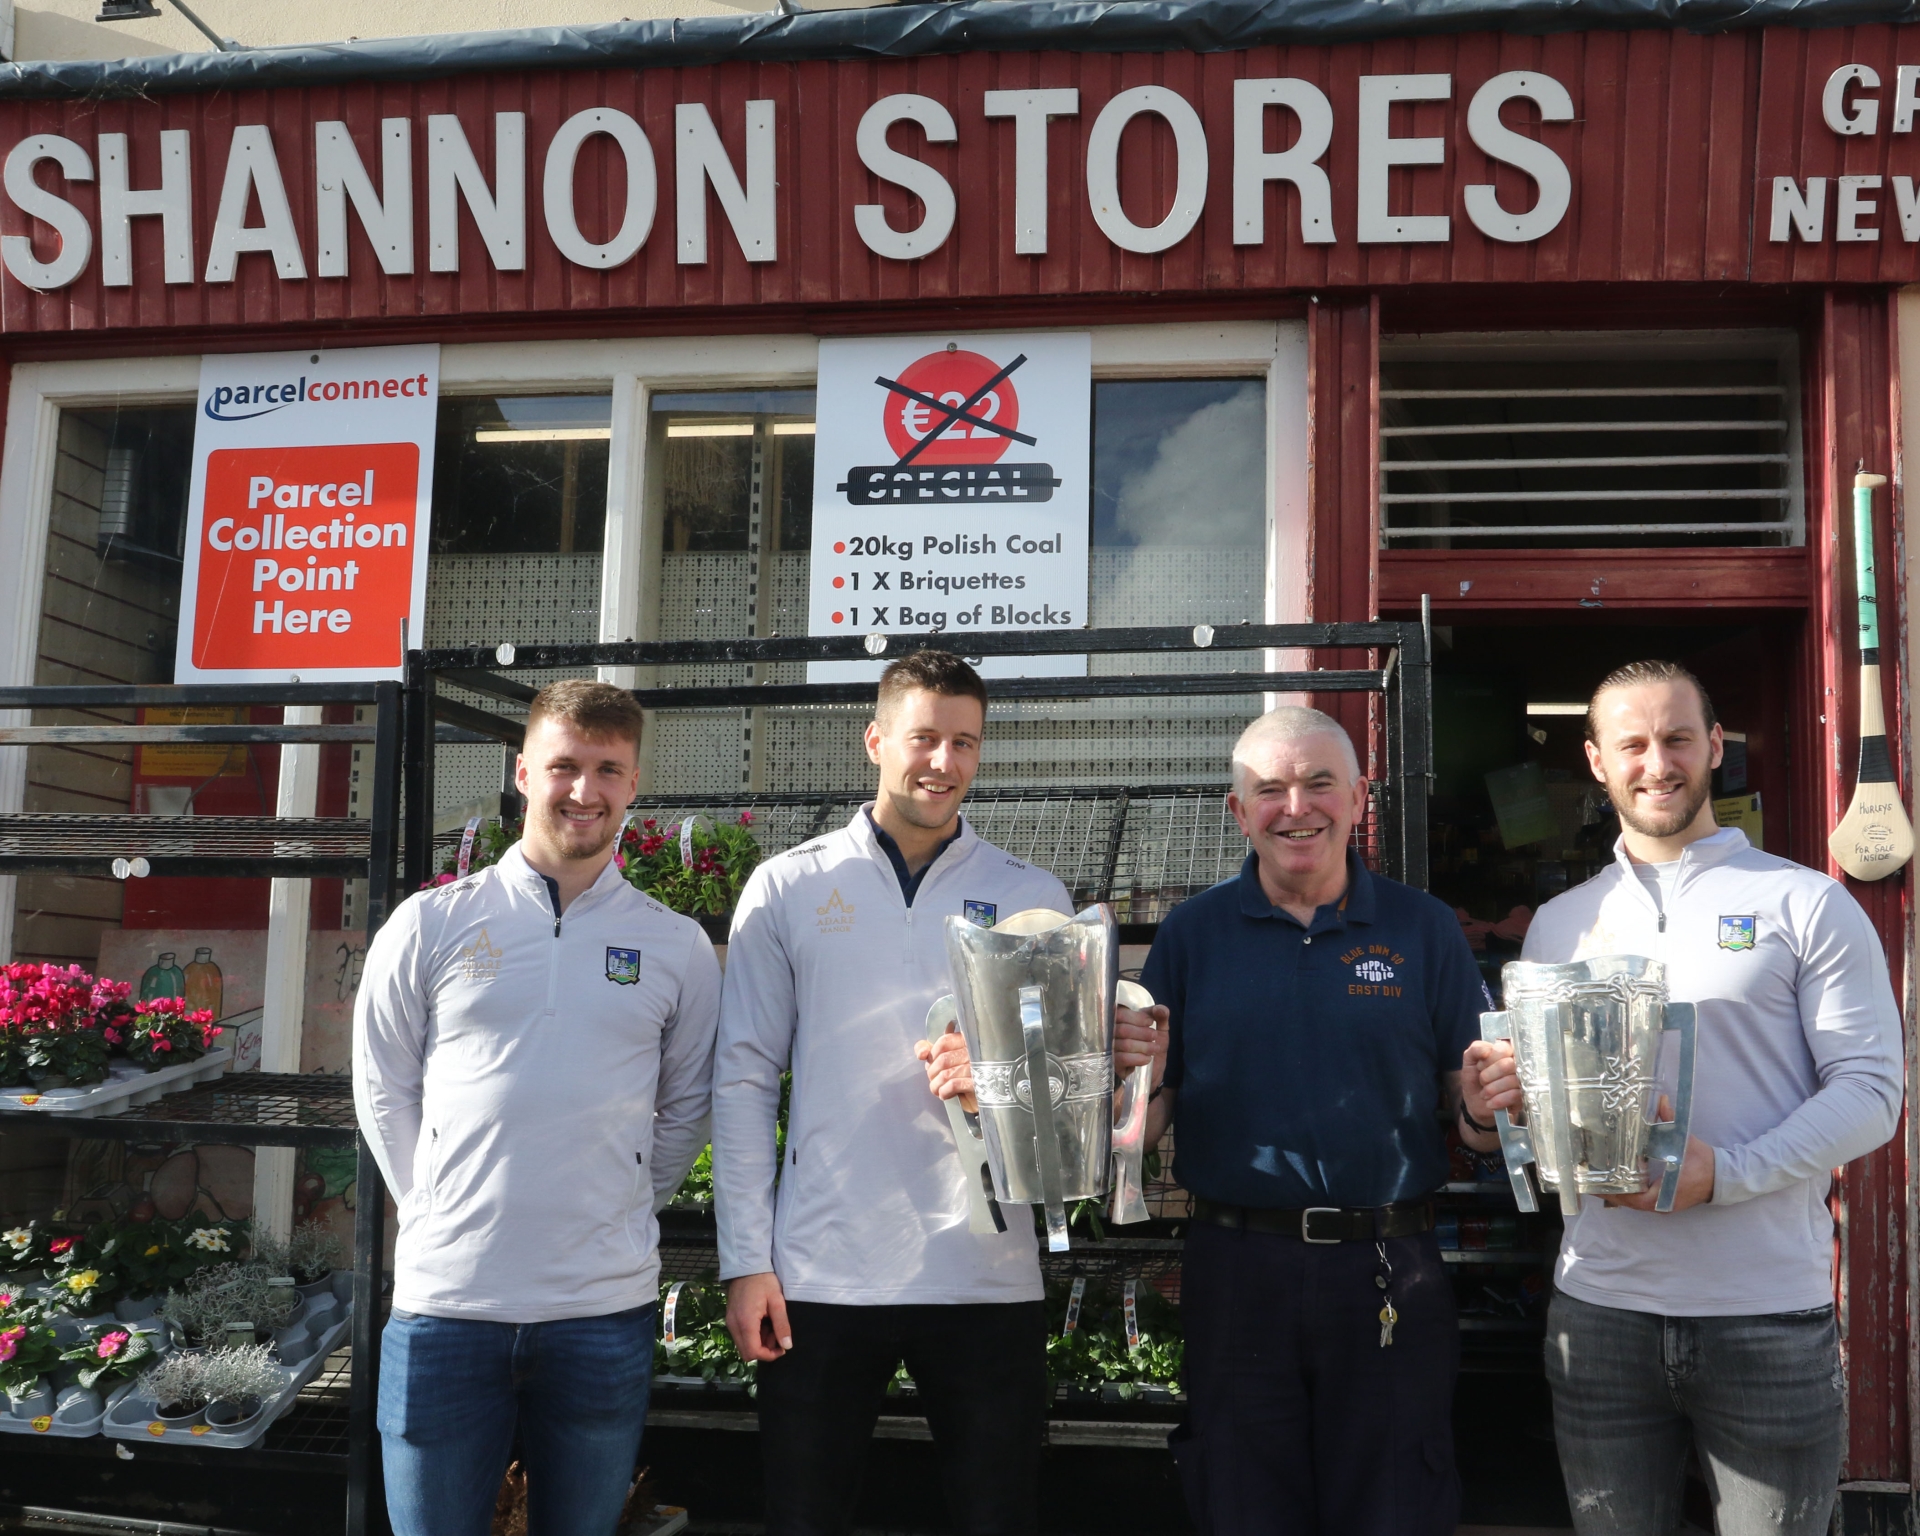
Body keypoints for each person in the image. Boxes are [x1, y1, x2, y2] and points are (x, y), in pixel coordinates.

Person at [711, 648, 1165, 1536]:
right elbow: (742, 1078)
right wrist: (745, 1261)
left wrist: (1035, 1070)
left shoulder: (1029, 894)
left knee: (996, 1516)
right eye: (924, 738)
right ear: (875, 740)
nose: (943, 762)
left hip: (985, 1274)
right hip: (822, 1271)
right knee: (804, 1516)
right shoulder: (790, 885)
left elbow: (1063, 1098)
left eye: (964, 742)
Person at [1461, 660, 1903, 1536]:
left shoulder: (1805, 901)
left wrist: (1725, 1174)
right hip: (1601, 1316)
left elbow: (1872, 1093)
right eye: (1631, 744)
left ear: (1715, 748)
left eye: (1675, 739)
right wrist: (1493, 1107)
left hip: (1767, 1317)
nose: (1655, 763)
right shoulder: (1560, 923)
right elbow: (1528, 1128)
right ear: (1595, 761)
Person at [354, 680, 721, 1536]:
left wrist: (628, 1200)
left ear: (634, 785)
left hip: (600, 1312)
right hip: (447, 1309)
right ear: (523, 772)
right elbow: (382, 1084)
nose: (583, 791)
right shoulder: (430, 924)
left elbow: (687, 1105)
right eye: (563, 766)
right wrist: (435, 1206)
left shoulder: (676, 947)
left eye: (607, 770)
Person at [1140, 704, 1488, 1536]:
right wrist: (1127, 1089)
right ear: (1238, 812)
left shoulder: (1426, 929)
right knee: (1241, 1499)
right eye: (1270, 789)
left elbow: (1476, 1121)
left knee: (1396, 1503)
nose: (1296, 807)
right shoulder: (1190, 937)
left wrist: (1491, 1108)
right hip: (1236, 1268)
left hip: (1388, 1266)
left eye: (1319, 783)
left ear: (1361, 799)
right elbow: (1143, 1128)